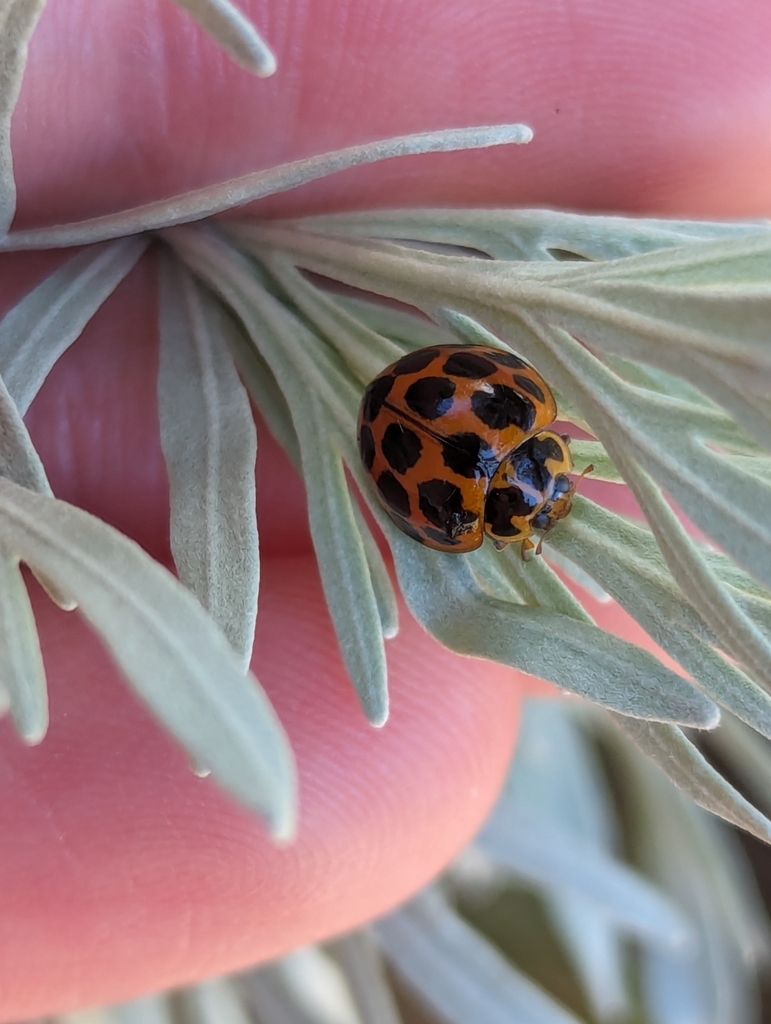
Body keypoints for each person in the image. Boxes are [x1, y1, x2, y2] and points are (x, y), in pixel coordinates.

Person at [2, 0, 769, 1017]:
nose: (550, 495)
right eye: (549, 485)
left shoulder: (523, 423)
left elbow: (495, 417)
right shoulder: (482, 491)